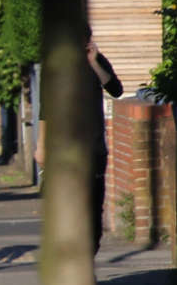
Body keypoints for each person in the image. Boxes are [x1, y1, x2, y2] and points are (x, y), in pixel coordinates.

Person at [34, 26, 123, 252]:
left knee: (94, 209)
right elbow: (46, 109)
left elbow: (116, 90)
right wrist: (41, 146)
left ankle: (87, 254)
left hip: (93, 149)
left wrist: (93, 62)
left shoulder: (98, 61)